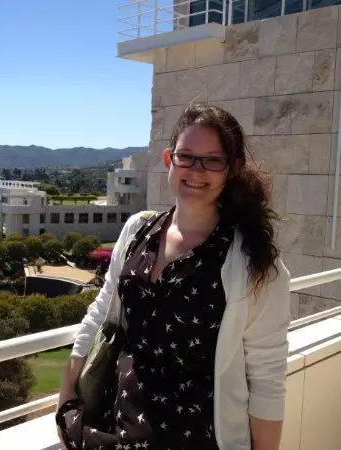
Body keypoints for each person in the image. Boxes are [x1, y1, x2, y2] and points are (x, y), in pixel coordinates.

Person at [56, 103, 291, 450]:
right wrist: (66, 393)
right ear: (169, 160)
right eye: (187, 156)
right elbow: (102, 311)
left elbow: (267, 378)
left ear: (233, 169)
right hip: (109, 428)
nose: (197, 170)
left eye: (213, 160)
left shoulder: (253, 265)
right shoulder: (138, 230)